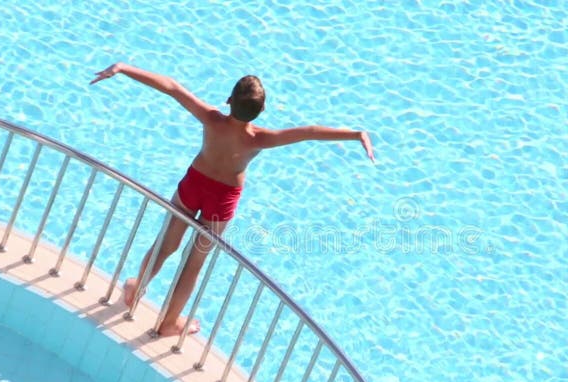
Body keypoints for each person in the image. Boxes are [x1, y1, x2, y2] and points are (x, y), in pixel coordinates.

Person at [90, 62, 374, 336]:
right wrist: (355, 134)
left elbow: (172, 88)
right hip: (222, 200)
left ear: (228, 99)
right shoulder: (260, 139)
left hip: (194, 184)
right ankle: (169, 323)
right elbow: (309, 132)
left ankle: (137, 288)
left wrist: (123, 68)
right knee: (194, 262)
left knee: (165, 244)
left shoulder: (211, 119)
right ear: (261, 110)